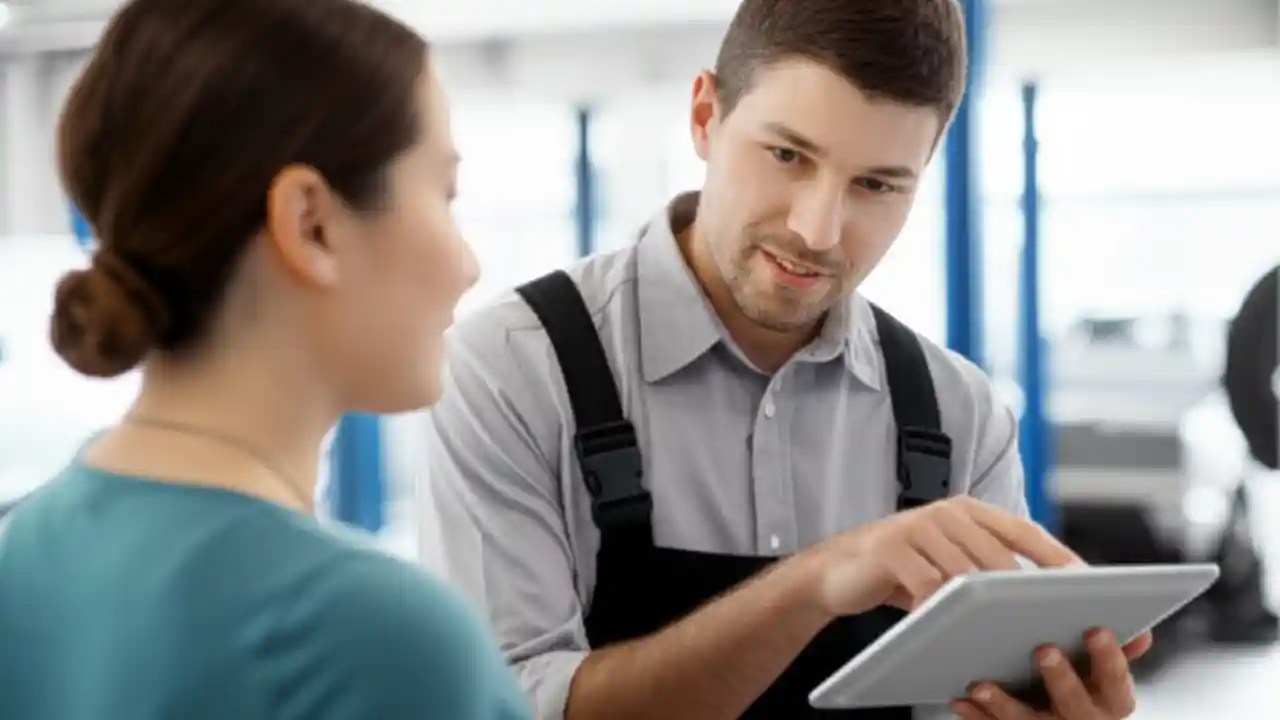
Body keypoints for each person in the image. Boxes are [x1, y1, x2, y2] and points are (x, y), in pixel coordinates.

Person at [420, 1, 1152, 719]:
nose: (818, 230)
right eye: (787, 155)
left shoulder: (959, 413)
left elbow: (959, 702)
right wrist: (815, 583)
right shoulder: (513, 370)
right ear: (706, 117)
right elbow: (504, 707)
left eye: (877, 184)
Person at [0, 1, 530, 718]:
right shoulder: (380, 640)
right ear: (310, 223)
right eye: (444, 193)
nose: (467, 266)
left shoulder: (20, 551)